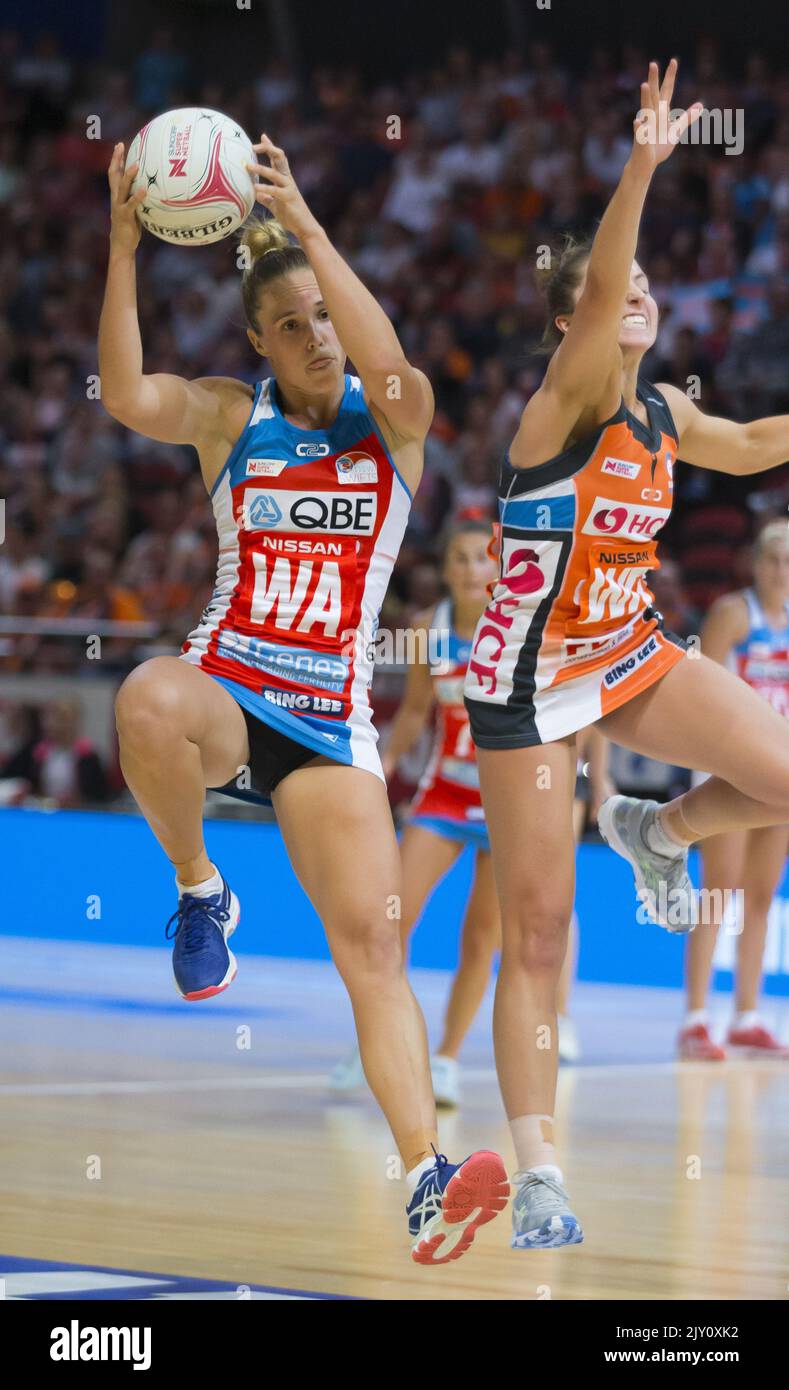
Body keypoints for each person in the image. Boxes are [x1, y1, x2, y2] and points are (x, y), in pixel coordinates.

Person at [100, 134, 507, 1265]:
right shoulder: (234, 419)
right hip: (229, 689)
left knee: (373, 953)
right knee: (143, 697)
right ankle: (200, 891)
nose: (316, 339)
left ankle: (427, 1173)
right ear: (258, 341)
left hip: (331, 728)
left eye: (322, 315)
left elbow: (393, 372)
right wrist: (124, 247)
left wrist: (314, 237)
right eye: (291, 327)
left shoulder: (396, 424)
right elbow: (128, 394)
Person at [463, 59, 789, 1250]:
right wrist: (644, 161)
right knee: (539, 929)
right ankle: (541, 1170)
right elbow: (603, 283)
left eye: (650, 285)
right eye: (617, 291)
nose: (636, 295)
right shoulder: (558, 405)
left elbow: (754, 441)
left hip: (628, 653)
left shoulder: (662, 415)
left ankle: (662, 831)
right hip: (525, 689)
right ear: (572, 326)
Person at [329, 514, 502, 1106]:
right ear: (446, 569)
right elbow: (411, 716)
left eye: (483, 556)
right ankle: (380, 1036)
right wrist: (372, 773)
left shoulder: (522, 626)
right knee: (390, 920)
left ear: (501, 563)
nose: (472, 569)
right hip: (444, 796)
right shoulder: (431, 629)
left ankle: (448, 1059)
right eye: (460, 558)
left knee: (482, 938)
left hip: (509, 807)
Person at [679, 520, 789, 1060]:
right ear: (756, 562)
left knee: (763, 895)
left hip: (780, 771)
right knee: (718, 891)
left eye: (788, 561)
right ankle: (697, 1017)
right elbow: (700, 686)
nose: (780, 570)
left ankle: (747, 1014)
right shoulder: (732, 613)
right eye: (772, 559)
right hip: (728, 767)